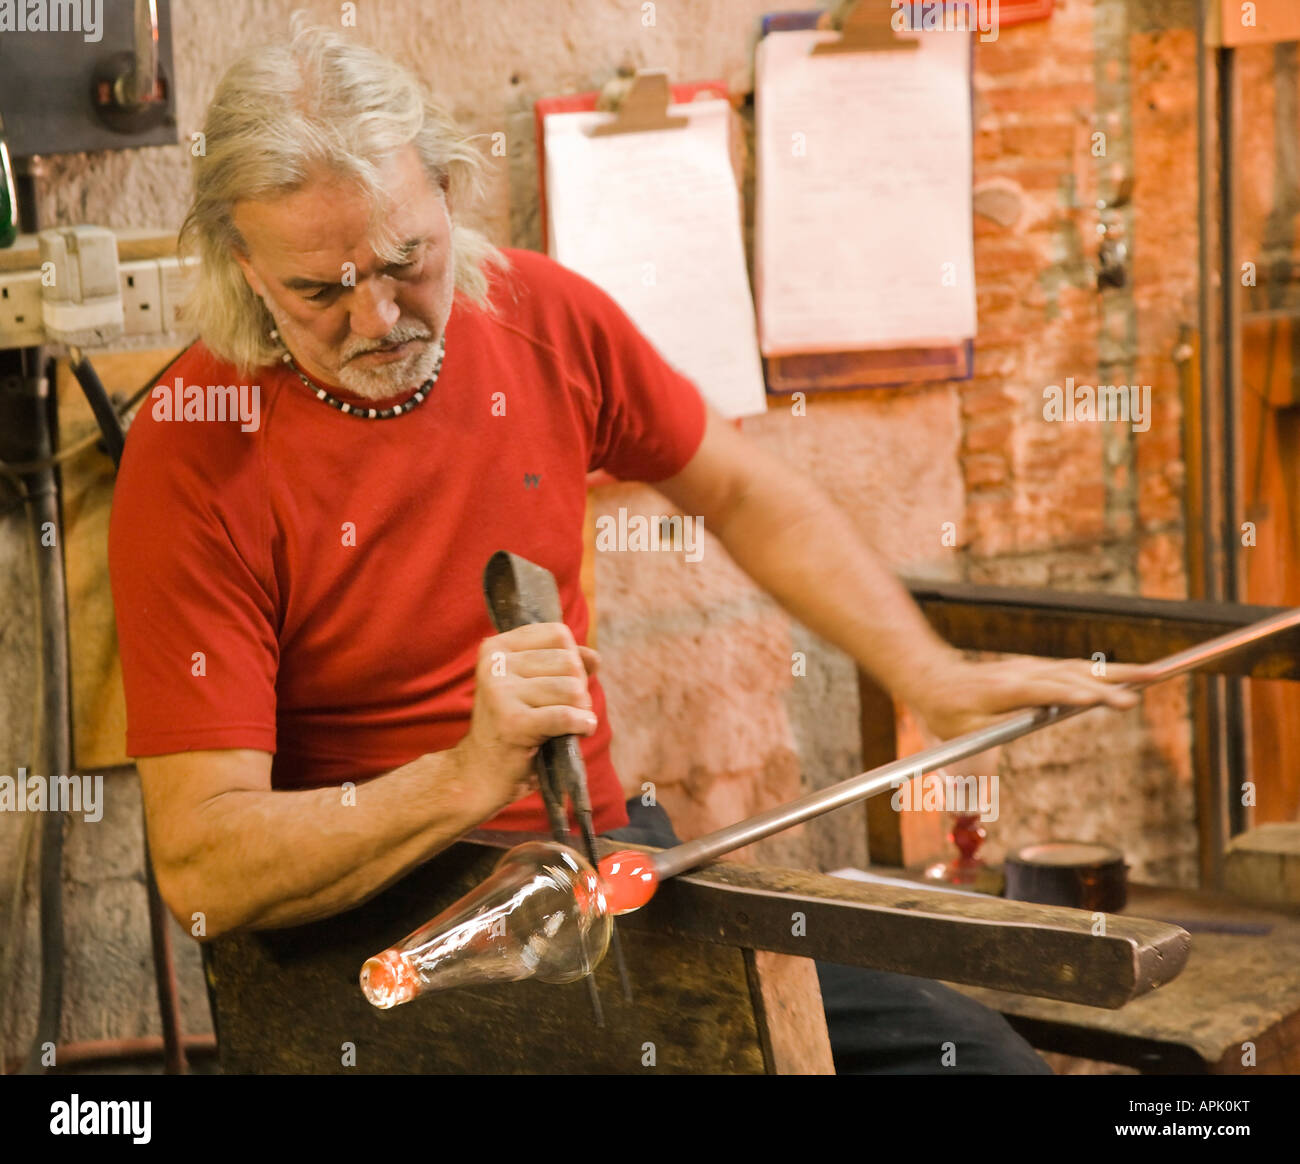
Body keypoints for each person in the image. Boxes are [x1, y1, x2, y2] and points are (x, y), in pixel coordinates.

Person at [108, 23, 1138, 1075]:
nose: (377, 317)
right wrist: (464, 776)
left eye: (403, 260)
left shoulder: (544, 319)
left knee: (969, 1062)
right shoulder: (196, 444)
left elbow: (741, 492)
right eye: (319, 292)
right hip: (373, 933)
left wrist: (931, 674)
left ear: (449, 196)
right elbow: (205, 868)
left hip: (594, 867)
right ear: (241, 264)